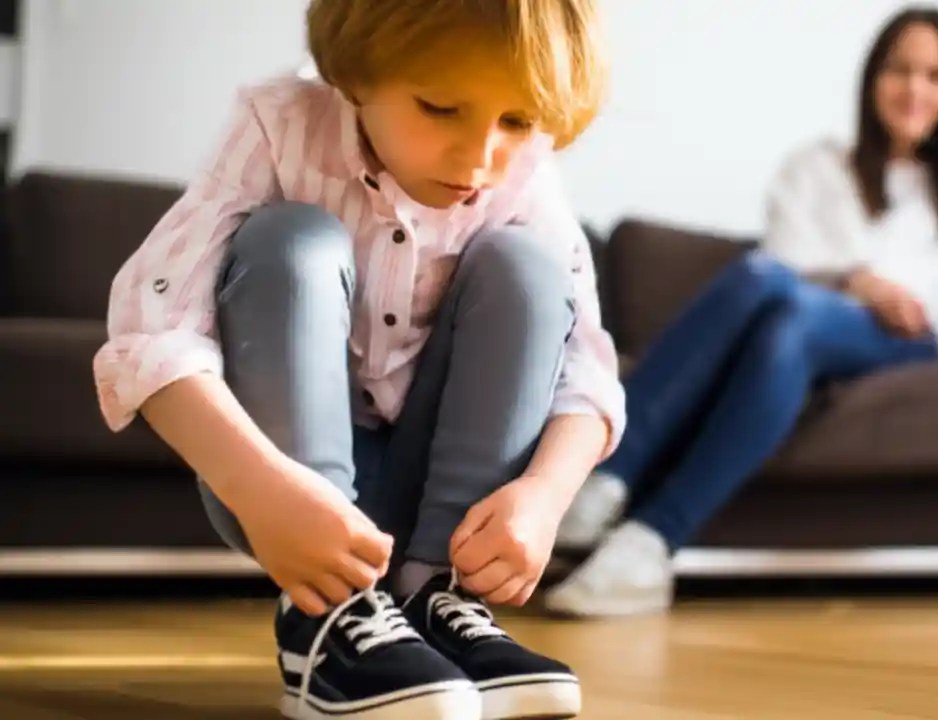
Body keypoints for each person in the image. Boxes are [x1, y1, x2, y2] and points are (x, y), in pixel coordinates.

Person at [91, 1, 624, 719]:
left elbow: (586, 376)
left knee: (527, 267)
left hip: (440, 502)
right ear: (358, 73)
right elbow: (151, 332)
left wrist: (544, 497)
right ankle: (326, 622)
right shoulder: (276, 126)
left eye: (519, 122)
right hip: (278, 484)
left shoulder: (522, 178)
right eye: (439, 108)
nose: (480, 158)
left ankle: (438, 602)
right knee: (293, 240)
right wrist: (263, 490)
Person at [544, 6, 938, 618]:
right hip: (812, 324)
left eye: (935, 76)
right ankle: (645, 540)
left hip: (910, 344)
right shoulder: (818, 166)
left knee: (774, 294)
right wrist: (861, 281)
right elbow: (788, 253)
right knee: (776, 311)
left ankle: (614, 481)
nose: (915, 89)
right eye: (900, 70)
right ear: (874, 78)